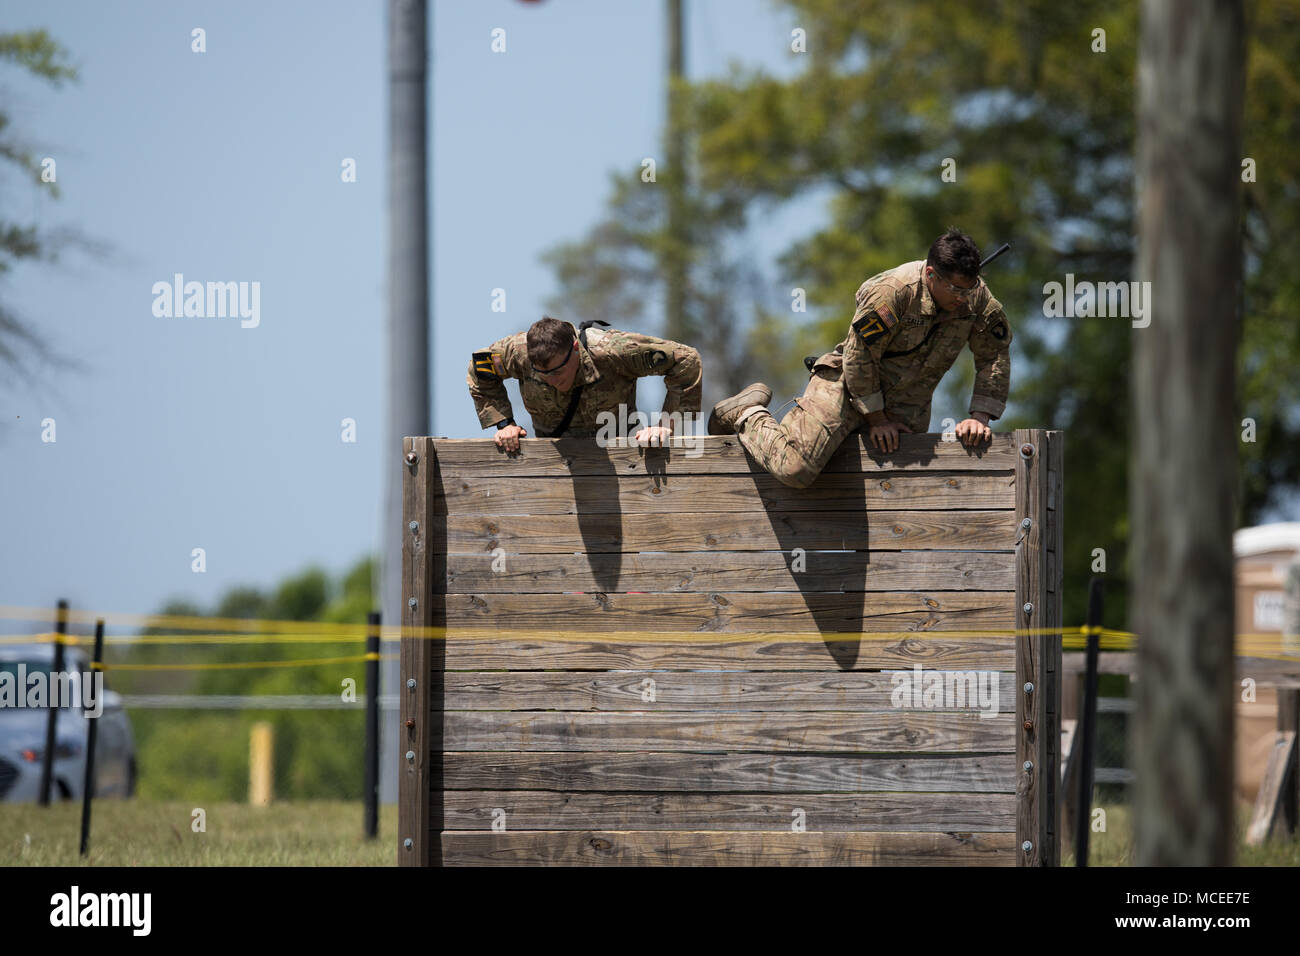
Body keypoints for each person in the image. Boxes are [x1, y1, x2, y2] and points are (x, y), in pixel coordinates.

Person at [707, 230, 1012, 488]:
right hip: (848, 388)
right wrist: (876, 419)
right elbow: (859, 356)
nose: (963, 297)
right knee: (796, 469)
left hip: (907, 405)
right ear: (931, 275)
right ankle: (748, 412)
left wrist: (979, 417)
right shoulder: (892, 292)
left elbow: (994, 353)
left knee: (899, 490)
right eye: (956, 289)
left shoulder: (976, 298)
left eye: (969, 287)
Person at [467, 316, 703, 451]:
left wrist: (669, 425)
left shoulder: (613, 351)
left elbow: (686, 360)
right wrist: (504, 424)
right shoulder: (517, 353)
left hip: (621, 452)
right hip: (556, 459)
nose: (553, 380)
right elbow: (478, 371)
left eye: (558, 370)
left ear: (576, 350)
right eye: (543, 374)